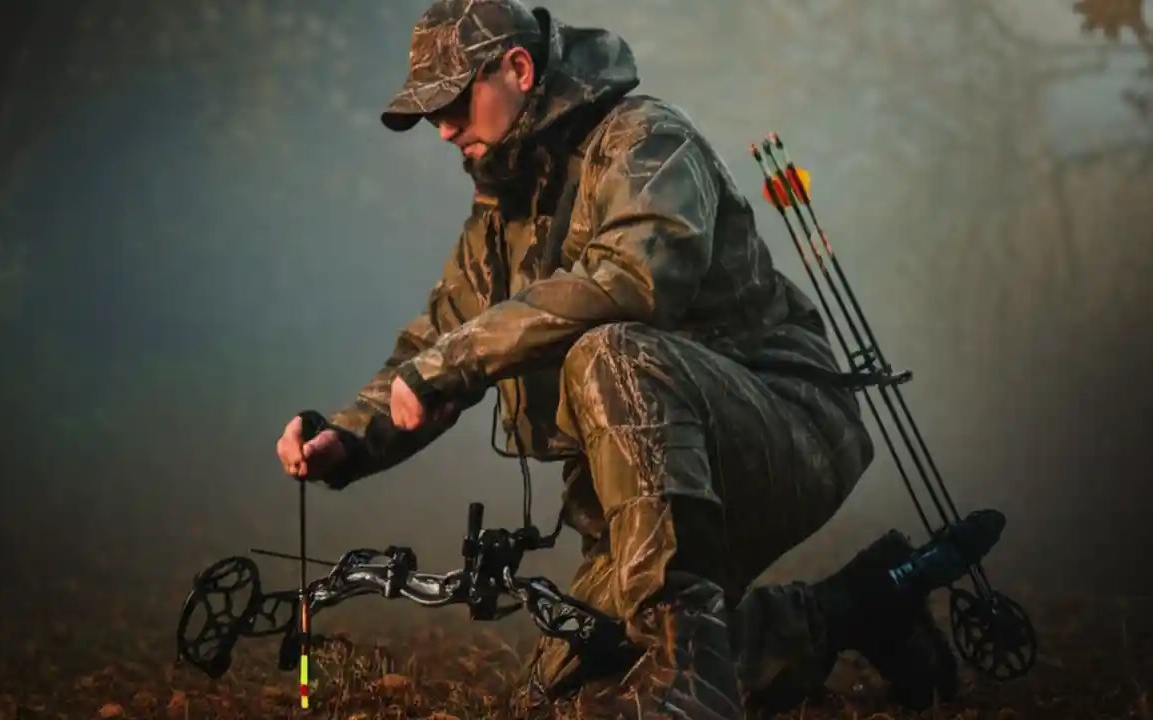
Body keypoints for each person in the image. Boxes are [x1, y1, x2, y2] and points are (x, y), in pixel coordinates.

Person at [275, 1, 957, 716]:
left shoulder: (648, 141)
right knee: (568, 687)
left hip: (787, 430)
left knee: (612, 352)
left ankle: (689, 679)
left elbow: (632, 281)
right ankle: (855, 609)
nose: (442, 128)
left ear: (518, 68)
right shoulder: (504, 215)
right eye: (431, 113)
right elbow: (433, 342)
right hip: (659, 483)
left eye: (452, 102)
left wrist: (456, 360)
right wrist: (345, 437)